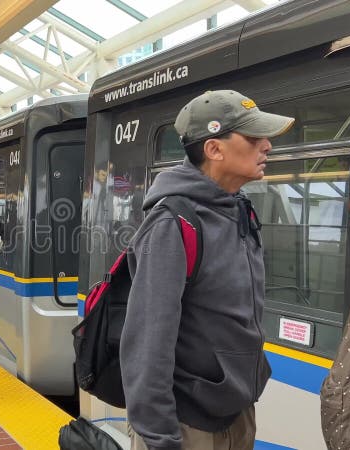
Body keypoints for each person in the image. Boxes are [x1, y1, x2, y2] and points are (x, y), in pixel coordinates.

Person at [120, 90, 295, 450]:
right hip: (189, 424)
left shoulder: (239, 209)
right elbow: (148, 341)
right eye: (253, 138)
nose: (267, 147)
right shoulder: (172, 223)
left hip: (236, 411)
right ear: (214, 149)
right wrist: (160, 437)